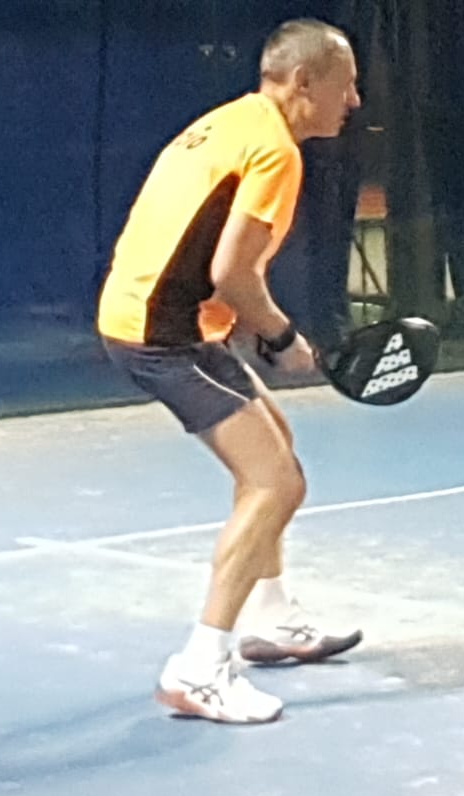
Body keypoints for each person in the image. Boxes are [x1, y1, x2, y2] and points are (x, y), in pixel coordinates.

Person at [97, 19, 365, 723]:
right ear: (303, 82)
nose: (355, 100)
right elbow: (232, 272)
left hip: (149, 312)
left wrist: (253, 326)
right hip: (164, 334)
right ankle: (199, 667)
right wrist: (281, 336)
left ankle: (272, 619)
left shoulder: (228, 123)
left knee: (277, 447)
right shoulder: (275, 151)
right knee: (276, 482)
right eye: (346, 84)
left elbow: (202, 250)